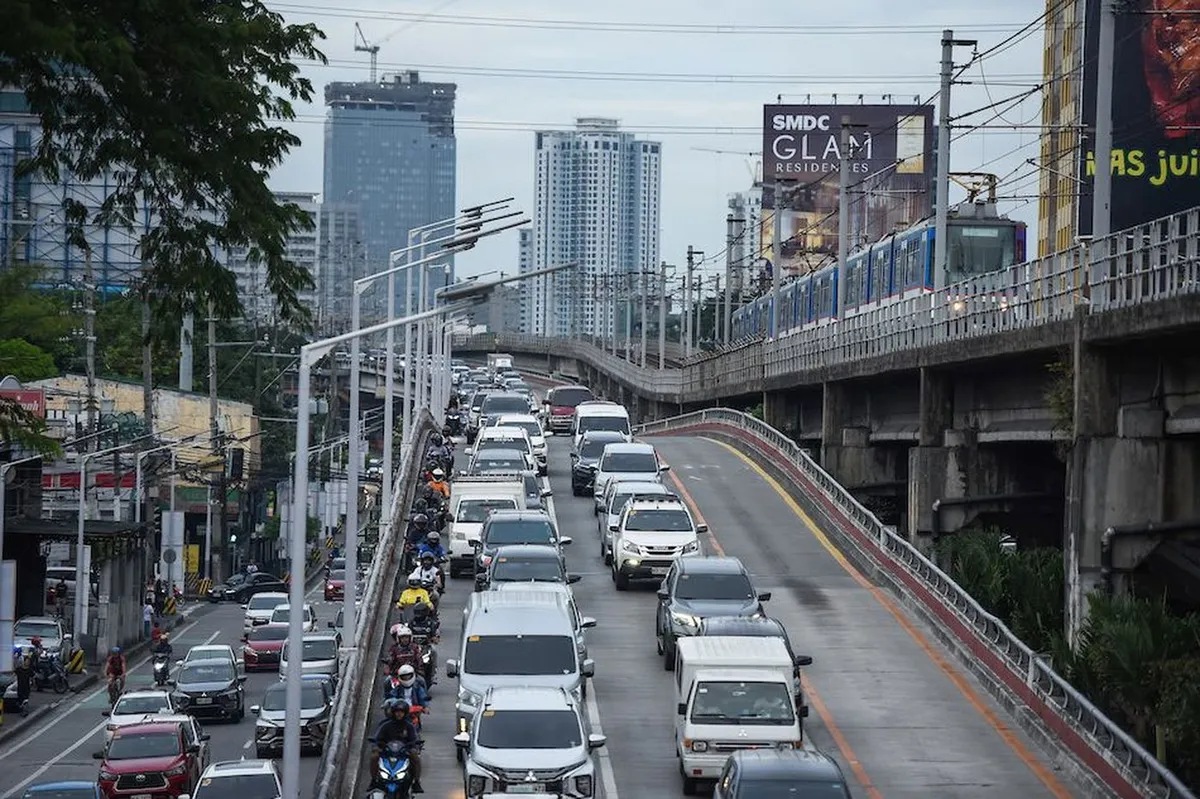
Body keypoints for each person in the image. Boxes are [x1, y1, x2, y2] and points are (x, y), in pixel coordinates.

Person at [371, 698, 423, 793]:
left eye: (401, 712)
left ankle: (416, 782)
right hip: (387, 752)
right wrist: (377, 746)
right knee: (374, 756)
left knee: (415, 757)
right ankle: (374, 780)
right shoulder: (385, 725)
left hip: (403, 753)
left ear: (405, 713)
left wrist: (413, 746)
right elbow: (377, 738)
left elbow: (414, 739)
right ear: (393, 712)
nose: (399, 714)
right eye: (397, 712)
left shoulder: (409, 726)